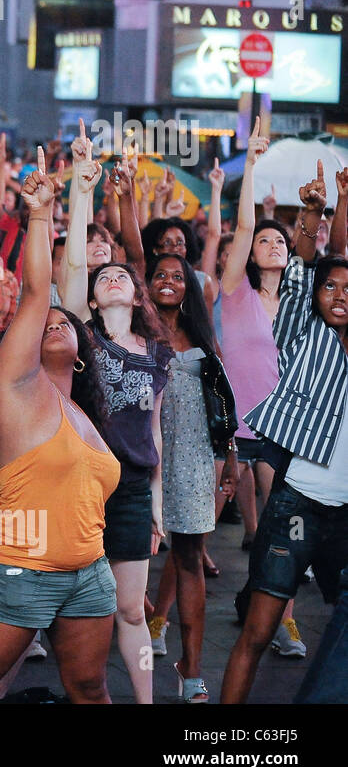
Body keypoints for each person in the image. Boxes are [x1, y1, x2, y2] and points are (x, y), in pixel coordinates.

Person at [0, 152, 119, 704]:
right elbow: (37, 291)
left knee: (90, 687)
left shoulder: (81, 414)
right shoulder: (18, 389)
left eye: (62, 323)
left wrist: (85, 195)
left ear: (81, 352)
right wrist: (41, 214)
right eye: (41, 325)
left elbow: (74, 280)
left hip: (89, 571)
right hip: (19, 568)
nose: (52, 323)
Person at [221, 165, 348, 704]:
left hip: (345, 513)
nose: (340, 294)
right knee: (258, 631)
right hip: (297, 502)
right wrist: (316, 213)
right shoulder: (301, 327)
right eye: (331, 287)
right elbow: (310, 262)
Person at [62, 125, 169, 705]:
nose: (111, 277)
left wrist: (155, 508)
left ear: (135, 294)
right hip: (79, 484)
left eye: (121, 275)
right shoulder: (83, 339)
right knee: (72, 601)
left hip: (129, 490)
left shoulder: (156, 354)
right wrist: (84, 187)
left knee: (131, 608)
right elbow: (76, 266)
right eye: (104, 277)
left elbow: (152, 433)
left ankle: (147, 701)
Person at [219, 121, 306, 656]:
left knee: (281, 533)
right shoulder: (234, 296)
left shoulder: (300, 304)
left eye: (280, 240)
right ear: (250, 253)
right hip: (229, 427)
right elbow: (244, 223)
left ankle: (285, 621)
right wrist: (250, 164)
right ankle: (157, 617)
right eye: (263, 240)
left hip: (278, 430)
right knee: (195, 532)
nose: (272, 244)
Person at [144, 251, 238, 702]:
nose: (168, 281)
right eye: (159, 275)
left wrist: (231, 460)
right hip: (142, 463)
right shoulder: (137, 335)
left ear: (189, 288)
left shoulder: (201, 339)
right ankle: (136, 638)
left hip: (194, 461)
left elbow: (223, 409)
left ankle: (192, 670)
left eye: (177, 276)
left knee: (188, 560)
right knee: (118, 559)